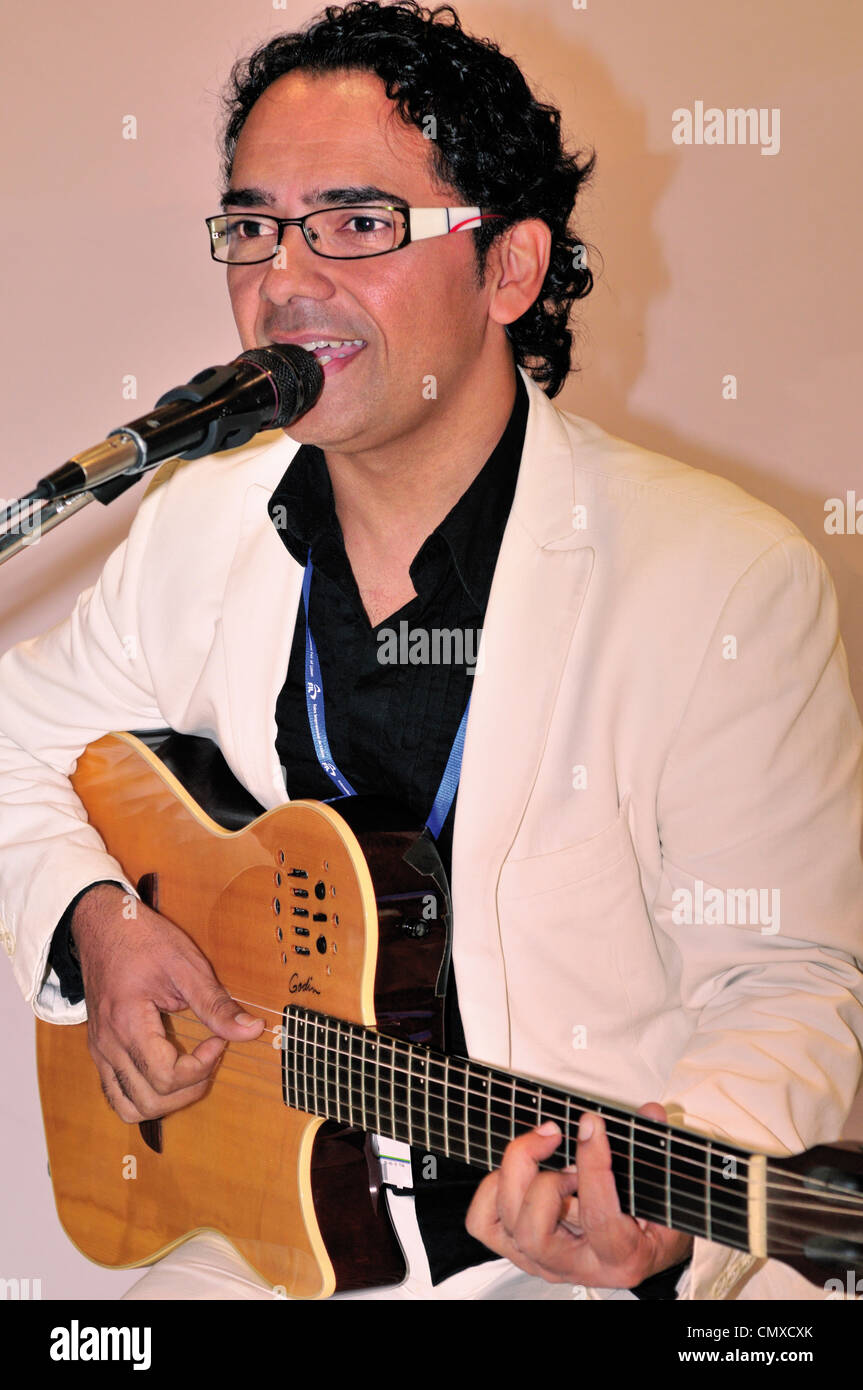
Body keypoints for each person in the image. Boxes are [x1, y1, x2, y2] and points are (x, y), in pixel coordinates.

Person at [1, 0, 861, 1302]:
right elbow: (18, 741)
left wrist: (676, 1216)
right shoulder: (197, 528)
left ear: (509, 270)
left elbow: (786, 982)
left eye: (355, 224)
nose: (283, 279)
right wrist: (99, 923)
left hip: (569, 1270)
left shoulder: (725, 579)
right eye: (252, 226)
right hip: (267, 1248)